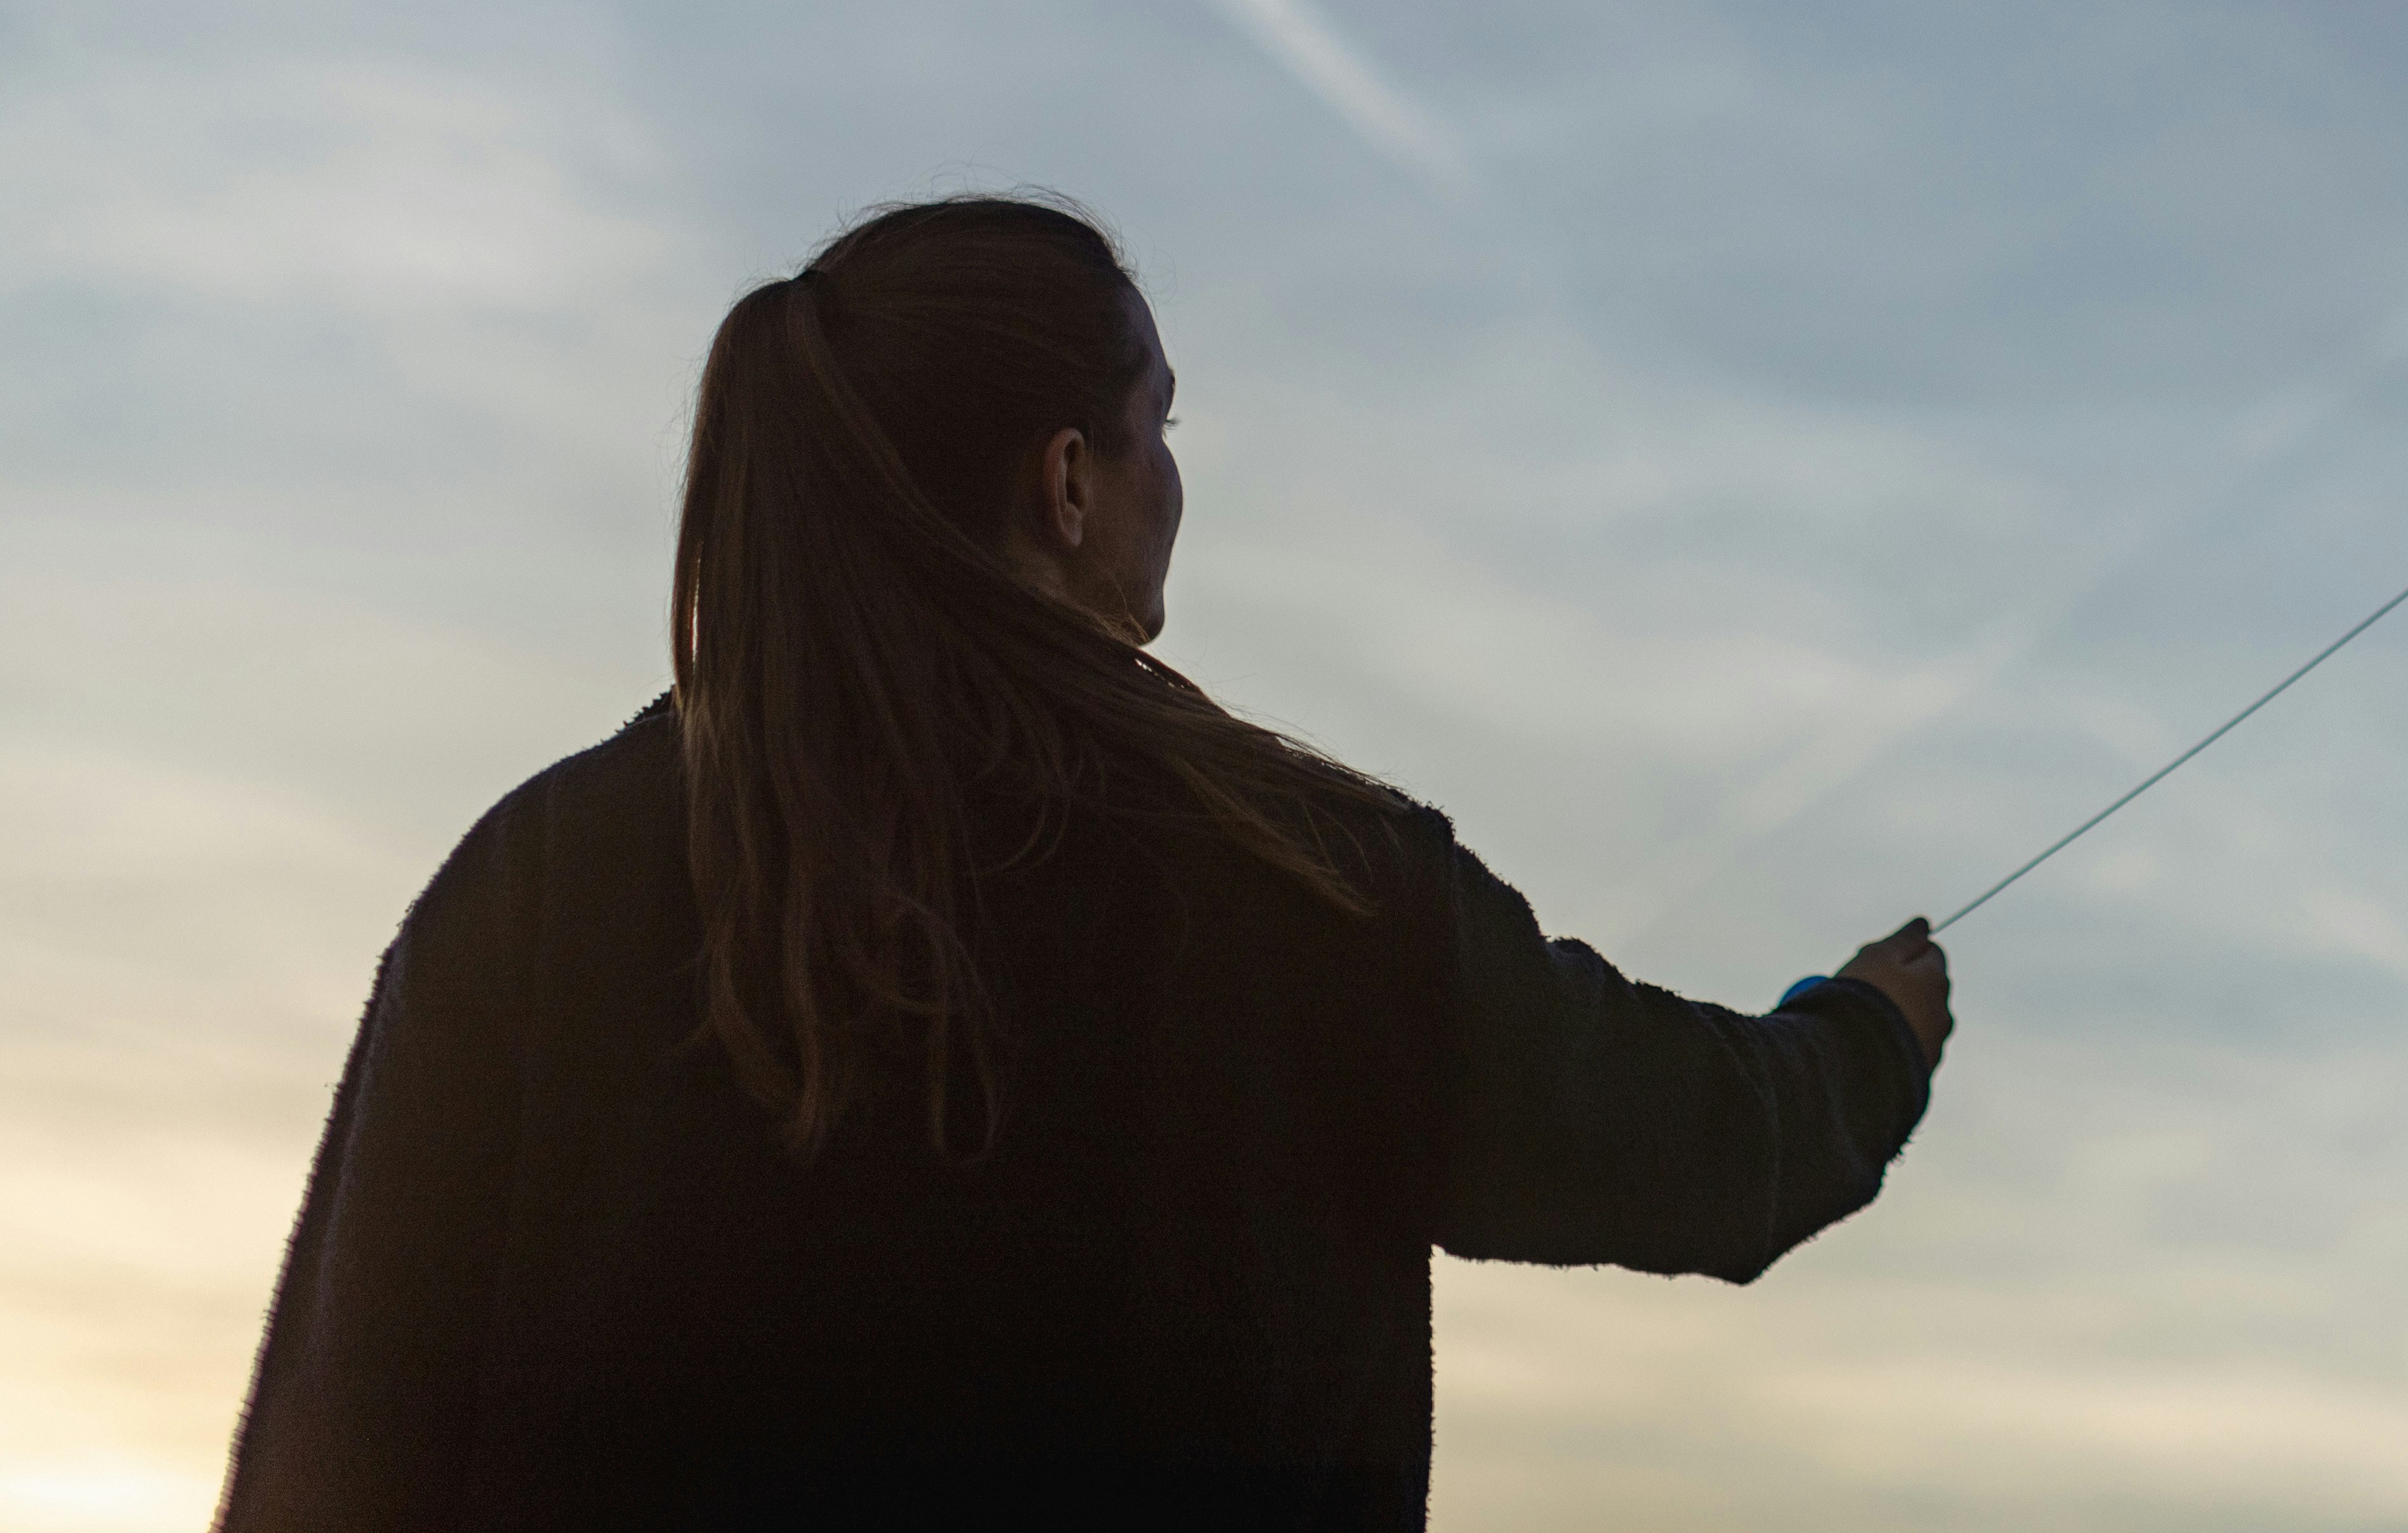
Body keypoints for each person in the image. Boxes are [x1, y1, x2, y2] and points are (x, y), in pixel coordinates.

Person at [215, 195, 1948, 1531]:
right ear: (1066, 479)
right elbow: (1701, 1148)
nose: (1172, 480)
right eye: (1159, 424)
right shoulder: (1305, 885)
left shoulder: (530, 886)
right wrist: (1865, 1033)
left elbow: (335, 1448)